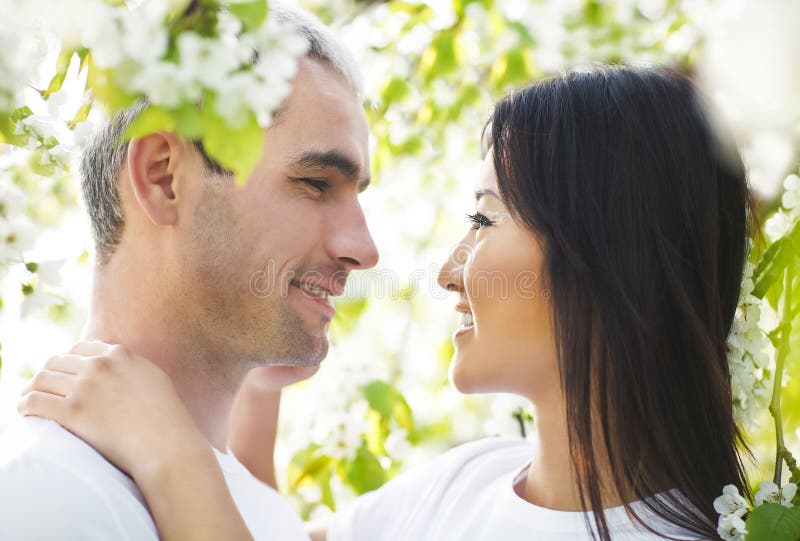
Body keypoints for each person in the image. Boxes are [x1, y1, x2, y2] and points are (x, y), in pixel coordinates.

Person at [18, 65, 753, 541]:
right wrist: (252, 374)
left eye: (484, 220)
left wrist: (171, 452)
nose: (447, 270)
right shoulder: (476, 479)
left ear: (605, 257)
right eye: (313, 184)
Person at [0, 4, 378, 541]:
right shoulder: (46, 499)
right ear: (164, 178)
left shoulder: (263, 516)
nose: (364, 249)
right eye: (316, 183)